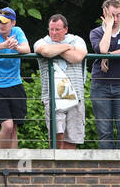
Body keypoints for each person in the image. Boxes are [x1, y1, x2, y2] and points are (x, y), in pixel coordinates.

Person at [88, 0, 120, 149]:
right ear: (104, 14)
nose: (115, 19)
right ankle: (107, 169)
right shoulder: (96, 32)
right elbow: (102, 49)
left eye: (117, 15)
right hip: (100, 86)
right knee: (104, 130)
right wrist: (108, 26)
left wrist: (109, 56)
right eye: (111, 15)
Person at [34, 13, 88, 149]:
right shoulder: (42, 41)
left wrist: (55, 50)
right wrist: (67, 47)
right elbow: (44, 51)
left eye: (57, 30)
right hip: (52, 96)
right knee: (56, 135)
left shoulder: (77, 40)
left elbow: (77, 57)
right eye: (51, 29)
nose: (53, 33)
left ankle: (67, 170)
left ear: (66, 29)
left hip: (75, 95)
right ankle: (55, 169)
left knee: (72, 138)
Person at [0, 7, 30, 149]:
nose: (1, 25)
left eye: (5, 22)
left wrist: (16, 47)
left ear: (13, 23)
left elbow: (27, 49)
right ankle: (1, 160)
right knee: (7, 126)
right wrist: (4, 45)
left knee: (14, 128)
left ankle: (13, 164)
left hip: (15, 84)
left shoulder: (18, 31)